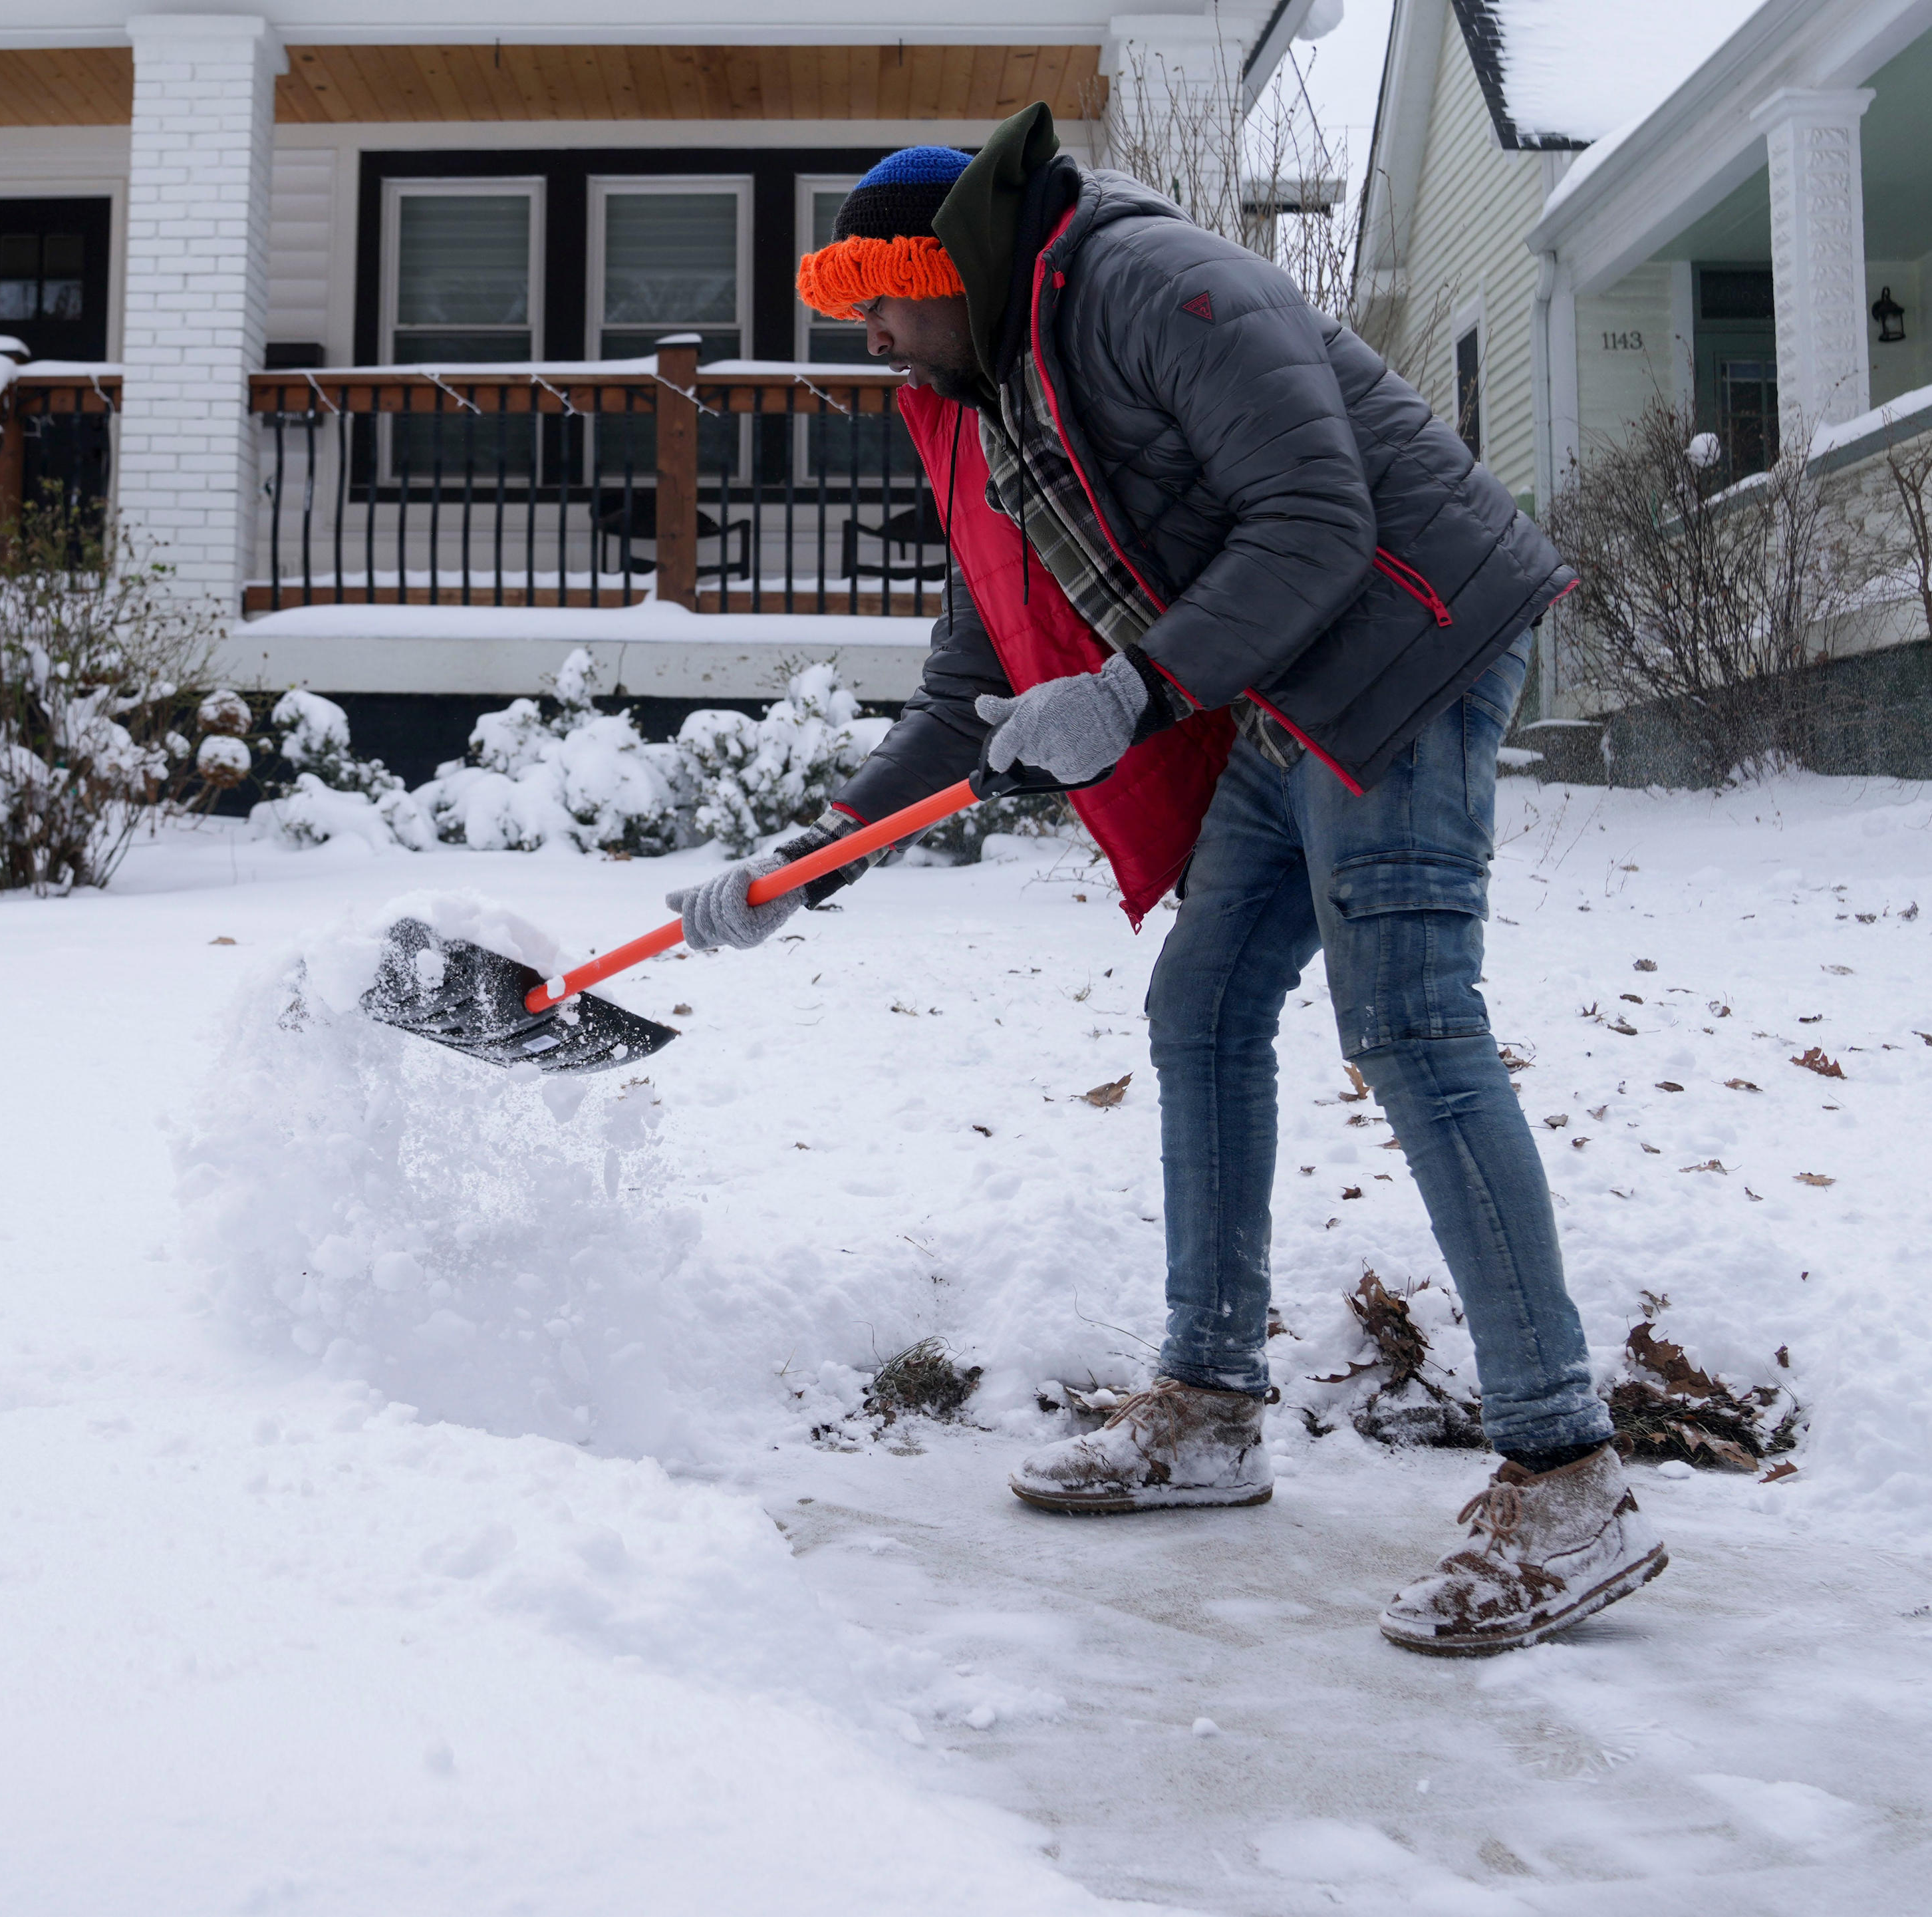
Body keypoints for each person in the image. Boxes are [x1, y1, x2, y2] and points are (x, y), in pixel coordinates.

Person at [664, 115, 1665, 1656]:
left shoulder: (1148, 288)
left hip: (1410, 633)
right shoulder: (991, 402)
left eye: (877, 295)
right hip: (1281, 679)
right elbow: (969, 684)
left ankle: (1565, 1471)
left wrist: (1134, 690)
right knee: (1202, 1003)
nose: (865, 335)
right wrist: (813, 858)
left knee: (1404, 1016)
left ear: (948, 267)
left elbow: (1320, 522)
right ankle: (1207, 1403)